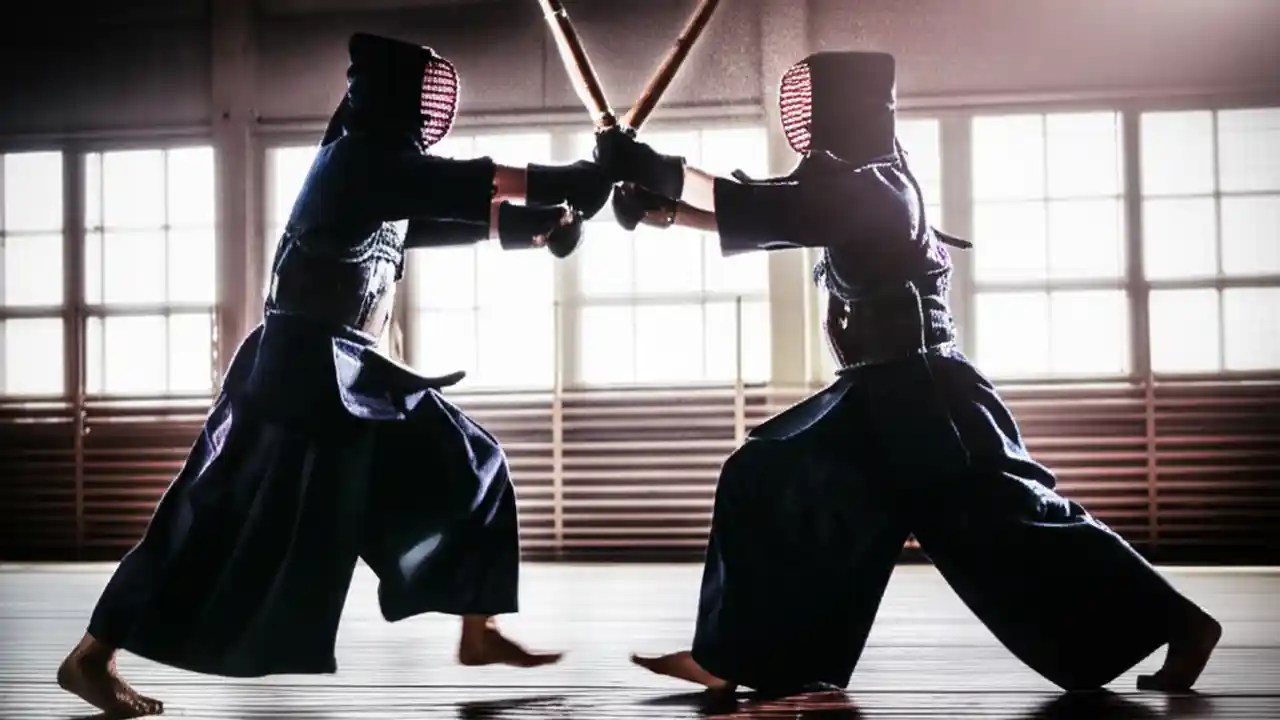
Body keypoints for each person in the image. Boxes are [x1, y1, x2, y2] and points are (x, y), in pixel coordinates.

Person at [595, 51, 1221, 696]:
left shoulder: (877, 187)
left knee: (1015, 523)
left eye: (817, 106)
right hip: (877, 399)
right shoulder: (857, 184)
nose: (804, 122)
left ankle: (1182, 622)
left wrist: (650, 169)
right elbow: (773, 211)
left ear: (849, 112)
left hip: (927, 397)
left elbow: (761, 206)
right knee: (765, 479)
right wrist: (662, 209)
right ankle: (739, 658)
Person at [57, 32, 612, 718]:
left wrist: (551, 221)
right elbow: (470, 183)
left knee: (473, 459)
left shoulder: (386, 176)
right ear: (393, 99)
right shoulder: (352, 163)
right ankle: (90, 656)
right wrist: (579, 177)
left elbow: (465, 214)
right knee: (208, 522)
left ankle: (479, 627)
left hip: (351, 378)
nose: (434, 111)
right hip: (291, 376)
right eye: (424, 94)